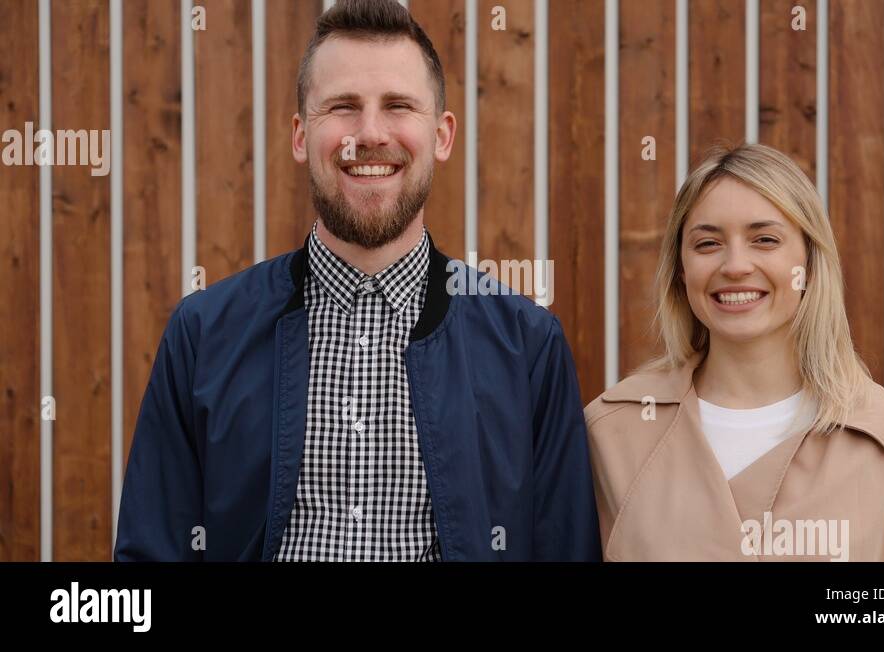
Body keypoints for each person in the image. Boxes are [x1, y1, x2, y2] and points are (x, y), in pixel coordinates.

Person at [115, 0, 600, 562]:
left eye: (398, 106)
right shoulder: (203, 336)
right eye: (342, 107)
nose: (369, 134)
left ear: (442, 135)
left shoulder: (527, 347)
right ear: (300, 135)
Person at [586, 142, 884, 561]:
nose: (735, 265)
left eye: (764, 239)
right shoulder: (609, 435)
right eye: (707, 244)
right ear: (681, 269)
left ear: (810, 261)